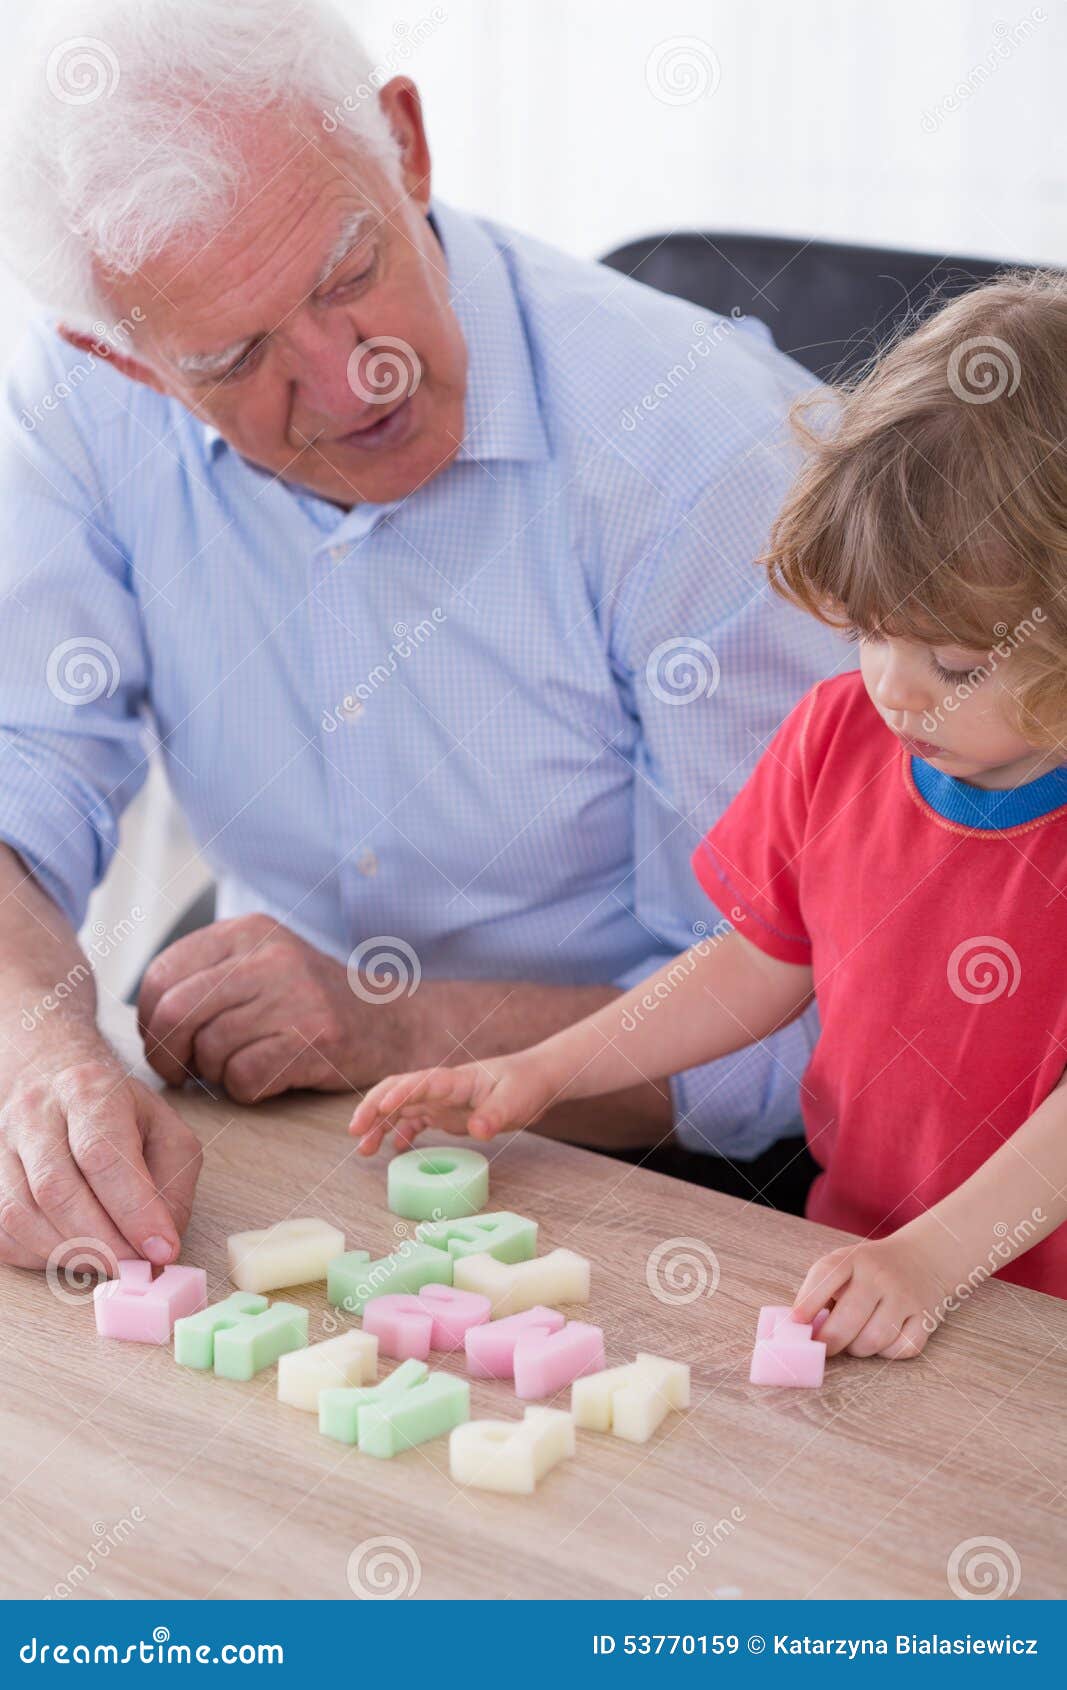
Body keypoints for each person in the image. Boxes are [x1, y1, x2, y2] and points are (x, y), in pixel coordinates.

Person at [0, 0, 841, 1271]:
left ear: (406, 146)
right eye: (234, 358)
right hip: (295, 1116)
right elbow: (21, 775)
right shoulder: (81, 404)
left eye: (349, 274)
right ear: (129, 365)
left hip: (674, 1176)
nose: (351, 383)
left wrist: (393, 1025)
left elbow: (801, 1020)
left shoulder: (703, 457)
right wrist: (39, 1048)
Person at [352, 272, 1067, 1353]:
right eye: (867, 630)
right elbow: (754, 966)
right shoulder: (840, 738)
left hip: (1019, 1322)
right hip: (860, 1268)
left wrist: (932, 1257)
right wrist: (544, 1069)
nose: (893, 688)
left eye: (958, 665)